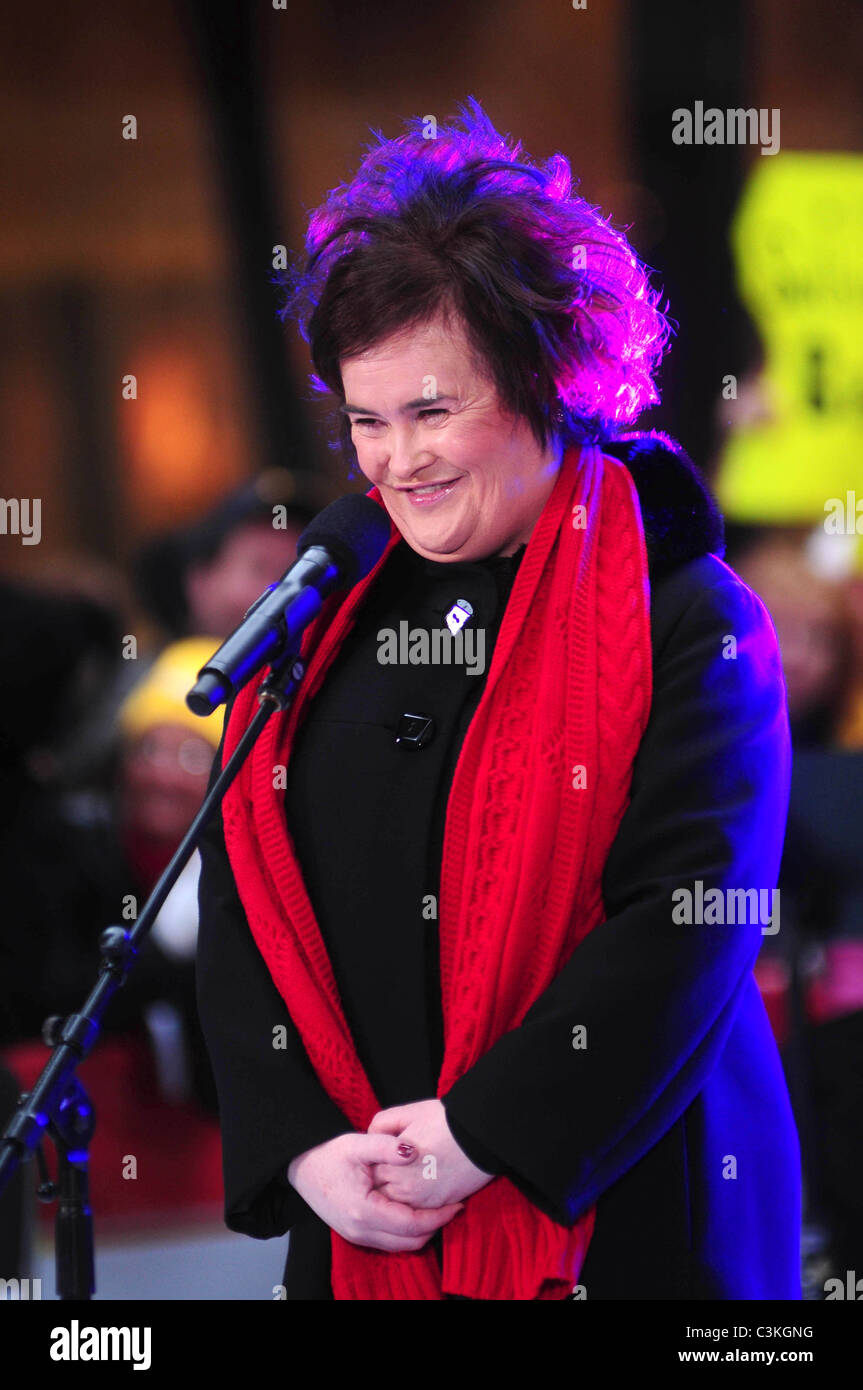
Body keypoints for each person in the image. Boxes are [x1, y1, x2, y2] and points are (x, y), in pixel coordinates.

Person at [195, 98, 801, 1300]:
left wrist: (480, 1136)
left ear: (552, 383)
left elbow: (688, 918)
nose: (394, 460)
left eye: (431, 410)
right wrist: (307, 1145)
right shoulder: (329, 609)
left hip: (622, 1212)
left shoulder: (690, 612)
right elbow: (240, 891)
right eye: (366, 420)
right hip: (364, 1217)